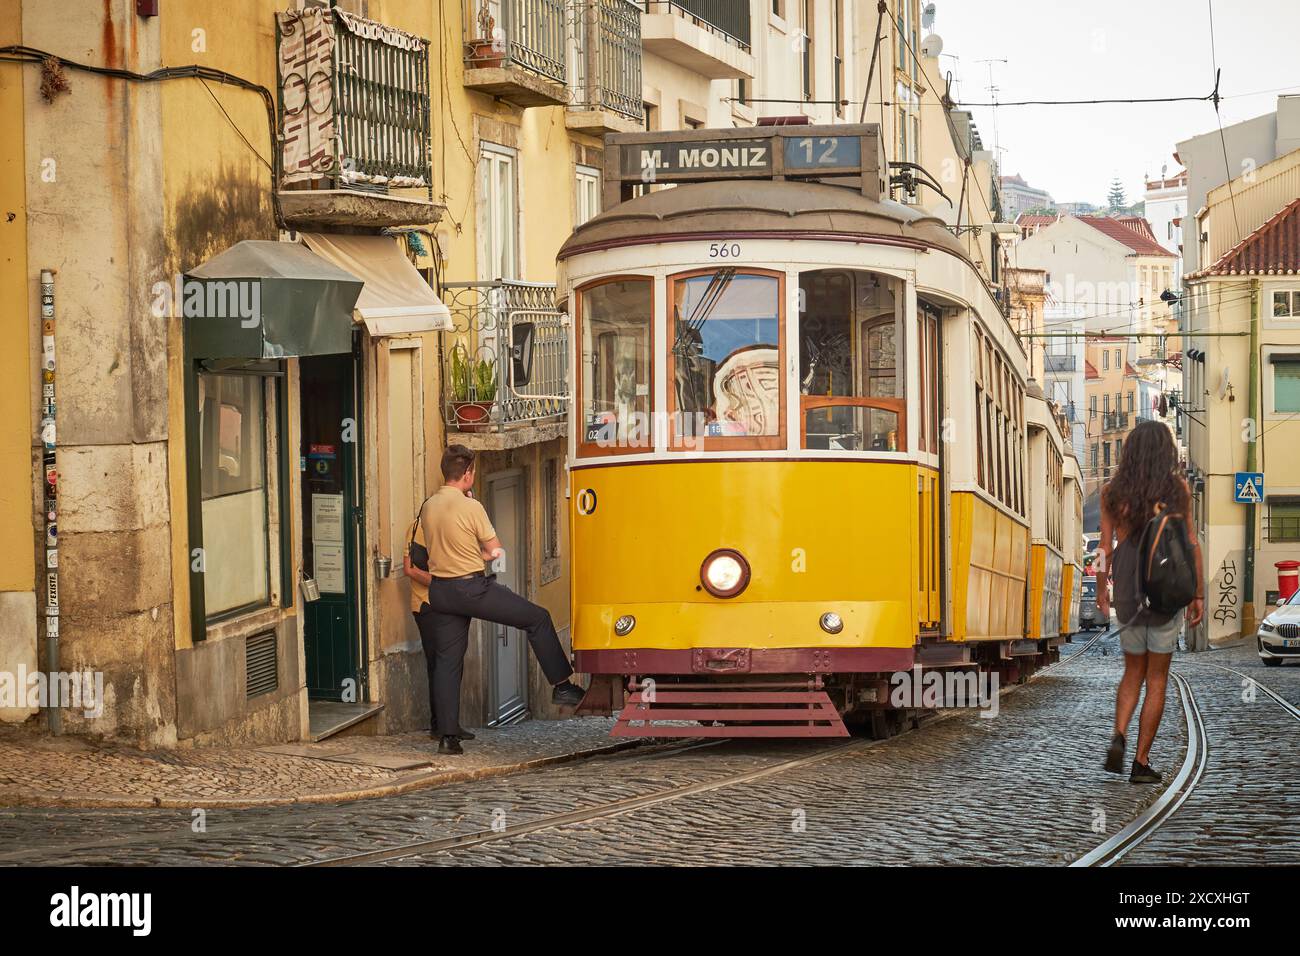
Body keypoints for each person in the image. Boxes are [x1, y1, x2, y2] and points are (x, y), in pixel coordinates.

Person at [405, 444, 585, 755]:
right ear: (468, 474)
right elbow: (495, 550)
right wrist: (483, 553)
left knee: (448, 663)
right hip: (472, 589)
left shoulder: (428, 507)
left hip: (441, 593)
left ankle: (448, 738)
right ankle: (562, 686)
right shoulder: (472, 508)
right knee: (537, 617)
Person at [1095, 420, 1204, 784]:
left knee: (1132, 672)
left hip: (1128, 591)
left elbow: (1103, 549)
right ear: (1165, 451)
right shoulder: (1177, 490)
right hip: (1165, 590)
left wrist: (1101, 590)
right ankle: (1141, 762)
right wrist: (1198, 593)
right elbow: (1190, 543)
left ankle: (1120, 733)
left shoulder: (1113, 492)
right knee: (1157, 678)